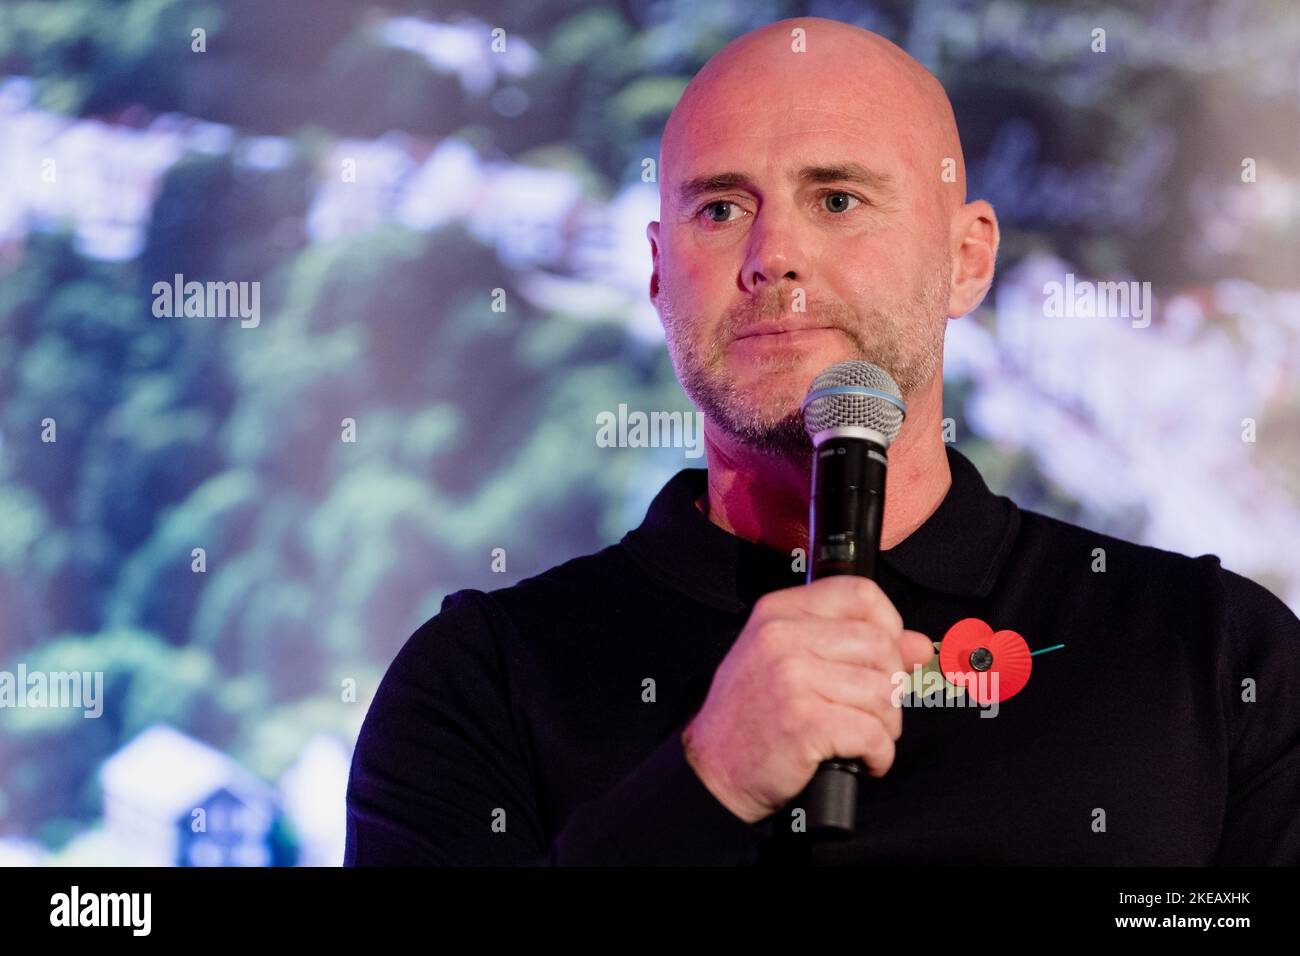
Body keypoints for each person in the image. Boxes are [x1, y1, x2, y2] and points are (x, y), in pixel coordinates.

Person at [344, 16, 1300, 865]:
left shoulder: (1213, 656)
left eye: (837, 199)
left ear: (967, 259)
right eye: (720, 210)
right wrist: (703, 787)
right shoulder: (480, 685)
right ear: (656, 273)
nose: (774, 257)